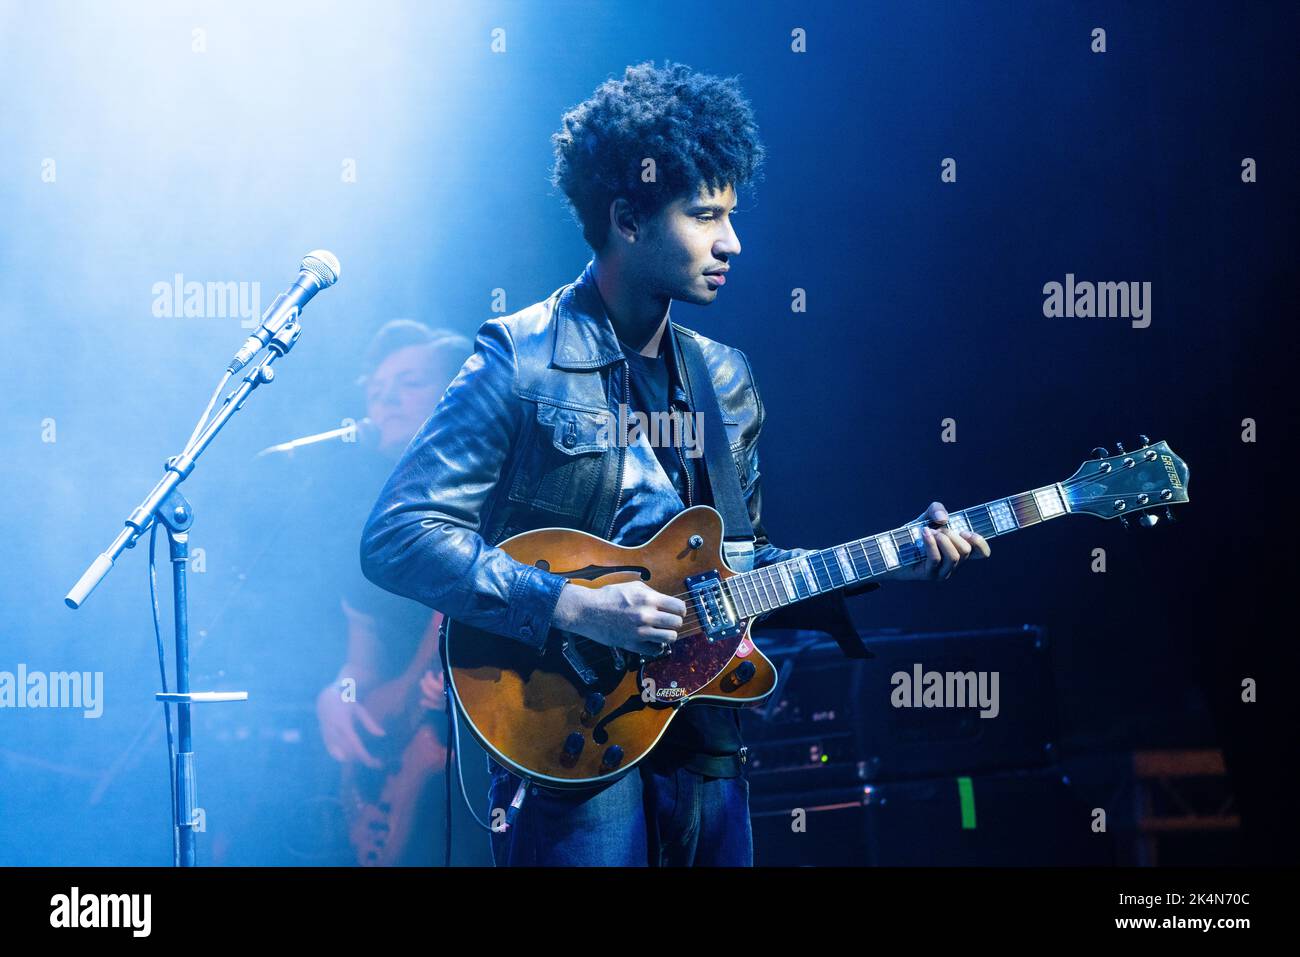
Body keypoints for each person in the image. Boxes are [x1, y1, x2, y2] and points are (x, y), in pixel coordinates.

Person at [359, 62, 989, 866]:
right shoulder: (519, 358)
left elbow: (738, 574)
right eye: (704, 216)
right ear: (628, 216)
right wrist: (572, 606)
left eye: (730, 214)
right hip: (573, 748)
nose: (733, 242)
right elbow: (399, 535)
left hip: (705, 747)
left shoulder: (724, 378)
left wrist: (892, 561)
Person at [314, 320, 469, 865]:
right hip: (408, 755)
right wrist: (340, 694)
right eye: (377, 392)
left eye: (408, 383)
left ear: (456, 392)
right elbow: (362, 663)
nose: (386, 401)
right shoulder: (371, 526)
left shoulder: (495, 499)